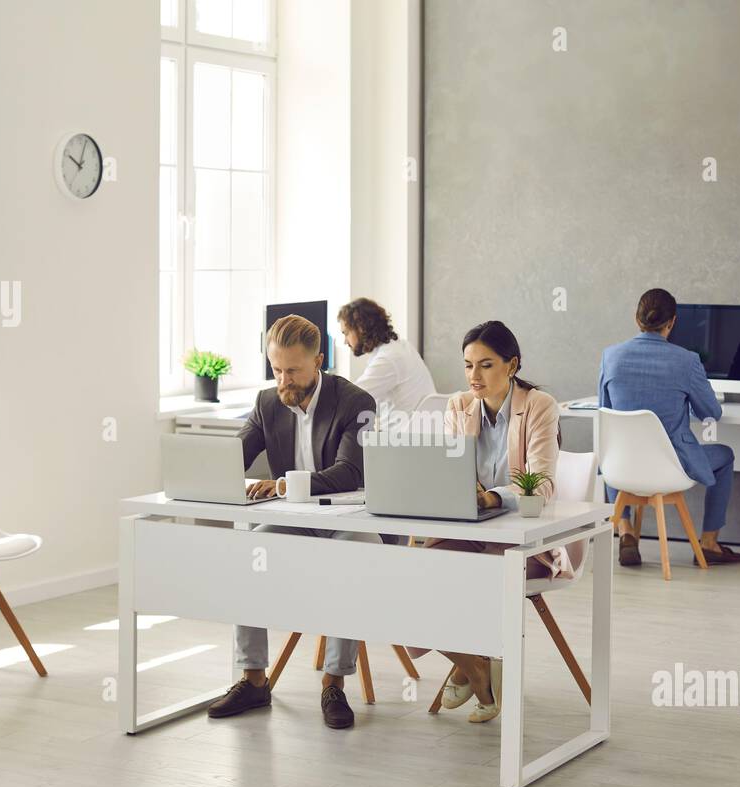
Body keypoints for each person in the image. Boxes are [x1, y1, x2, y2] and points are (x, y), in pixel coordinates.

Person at [207, 315, 378, 730]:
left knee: (352, 555)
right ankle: (253, 679)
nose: (284, 378)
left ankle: (333, 683)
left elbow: (350, 472)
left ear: (319, 360)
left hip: (349, 516)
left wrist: (282, 485)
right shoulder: (267, 403)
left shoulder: (357, 402)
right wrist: (208, 471)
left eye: (294, 370)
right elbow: (234, 458)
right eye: (277, 369)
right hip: (294, 521)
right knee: (250, 555)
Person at [407, 320, 577, 724]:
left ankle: (474, 666)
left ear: (511, 364)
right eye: (468, 366)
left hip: (524, 540)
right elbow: (451, 475)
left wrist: (493, 496)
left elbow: (544, 485)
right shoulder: (458, 406)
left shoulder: (539, 405)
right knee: (409, 581)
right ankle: (478, 667)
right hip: (471, 531)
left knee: (464, 581)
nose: (473, 377)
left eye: (485, 365)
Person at [598, 288, 740, 567]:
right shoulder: (687, 360)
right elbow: (711, 414)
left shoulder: (610, 356)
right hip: (671, 468)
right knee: (725, 454)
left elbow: (605, 413)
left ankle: (626, 533)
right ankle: (709, 543)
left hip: (621, 467)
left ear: (636, 318)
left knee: (612, 452)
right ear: (672, 322)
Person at [337, 297, 437, 415]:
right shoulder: (402, 347)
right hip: (421, 427)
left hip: (403, 431)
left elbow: (349, 399)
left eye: (346, 333)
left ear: (361, 327)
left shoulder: (388, 358)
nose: (345, 341)